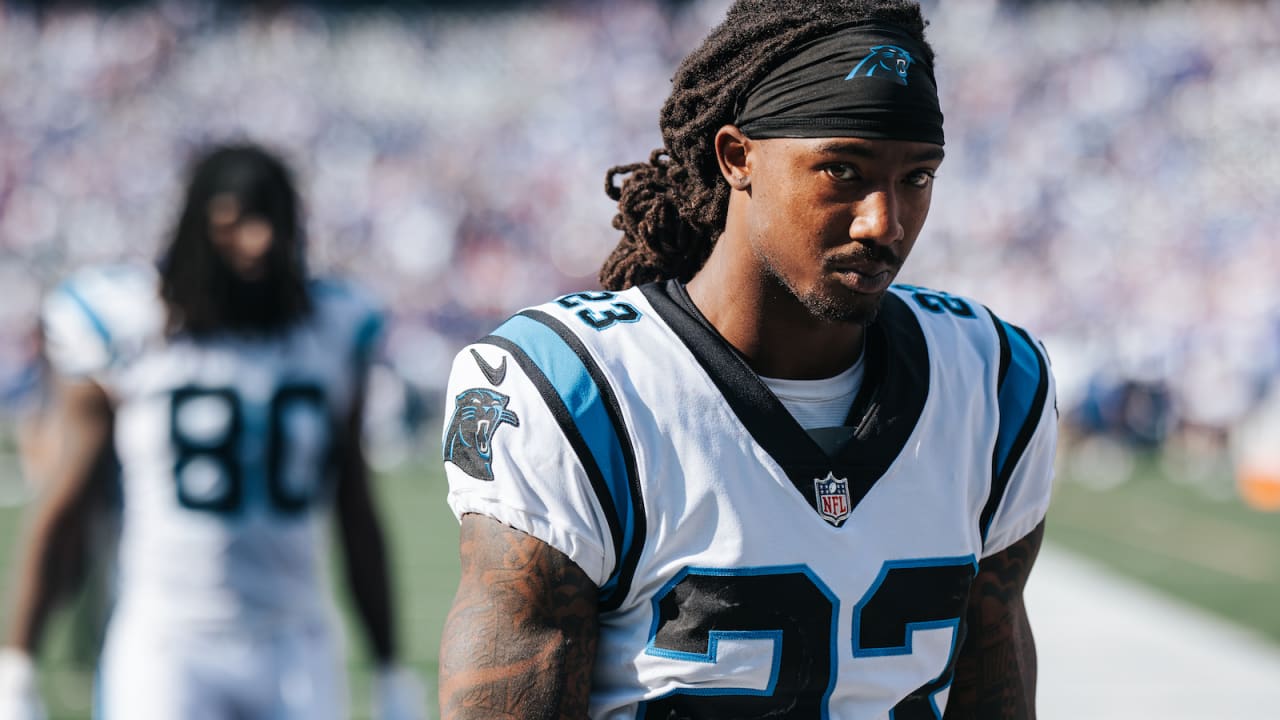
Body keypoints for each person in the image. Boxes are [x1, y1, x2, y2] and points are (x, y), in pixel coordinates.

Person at [438, 0, 1057, 718]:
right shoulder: (580, 388)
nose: (883, 221)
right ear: (738, 157)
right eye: (842, 170)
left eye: (917, 177)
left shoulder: (992, 377)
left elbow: (994, 682)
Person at [0, 144, 425, 720]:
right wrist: (17, 663)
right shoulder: (130, 325)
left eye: (269, 222)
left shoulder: (333, 328)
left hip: (293, 636)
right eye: (233, 225)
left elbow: (354, 504)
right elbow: (65, 499)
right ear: (196, 229)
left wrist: (388, 665)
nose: (257, 242)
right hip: (167, 635)